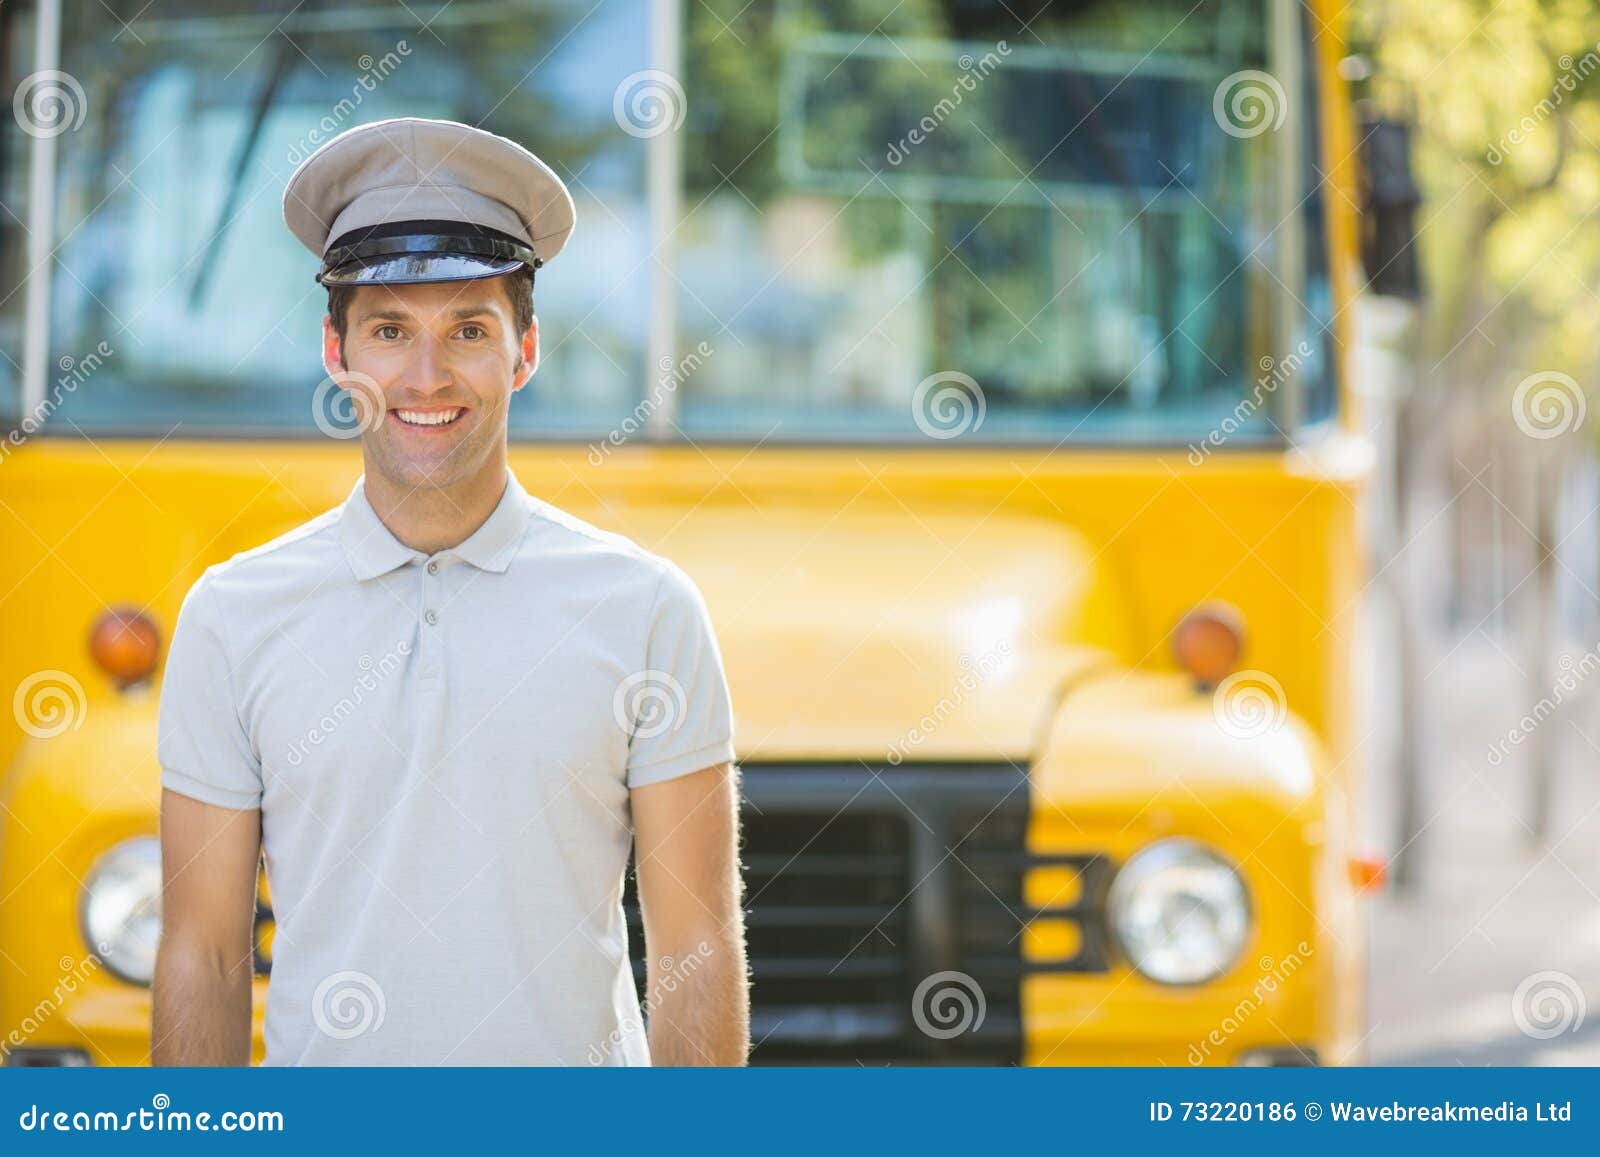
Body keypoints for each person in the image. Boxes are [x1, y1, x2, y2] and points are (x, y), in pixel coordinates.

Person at [151, 117, 747, 1066]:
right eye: (390, 331)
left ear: (525, 350)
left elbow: (697, 951)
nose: (426, 377)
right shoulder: (232, 615)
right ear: (337, 351)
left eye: (468, 330)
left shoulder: (645, 610)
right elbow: (205, 956)